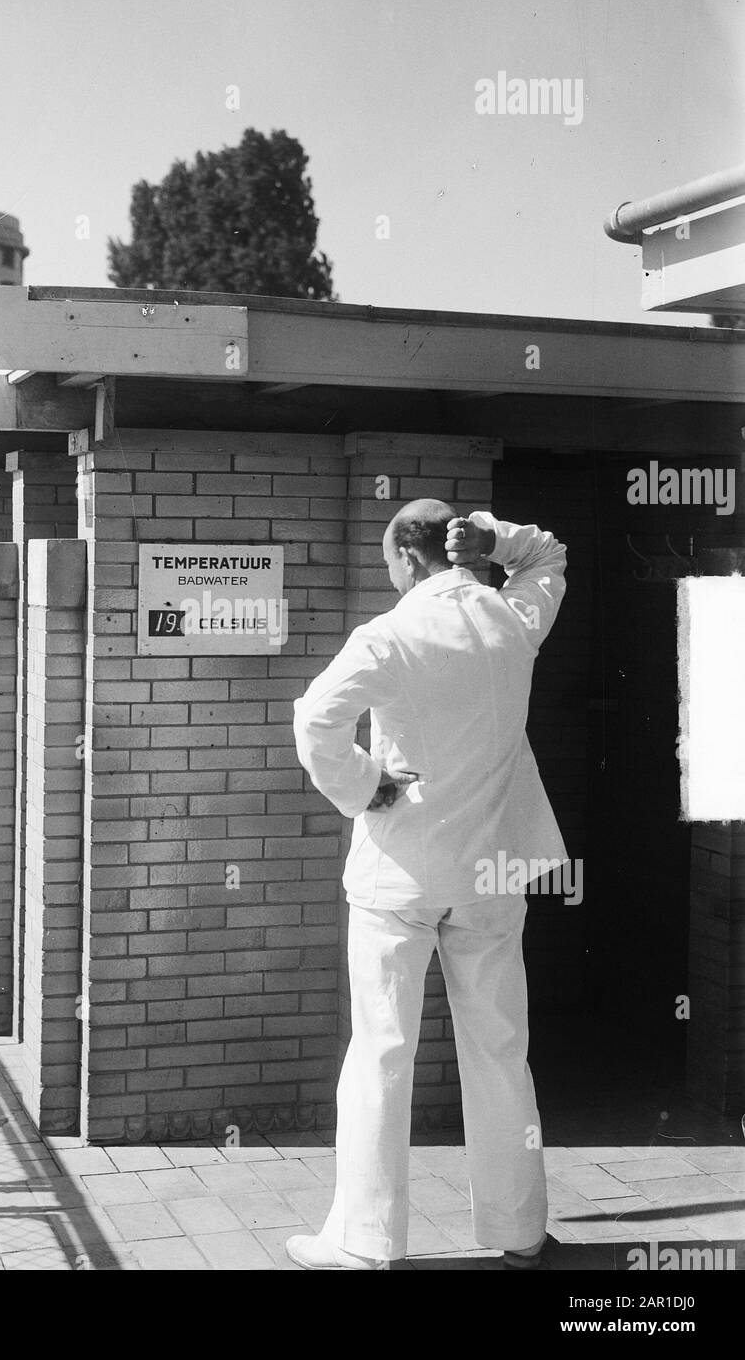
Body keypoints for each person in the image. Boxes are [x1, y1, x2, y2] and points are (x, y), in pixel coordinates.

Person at [287, 499, 568, 1270]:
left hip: (400, 874)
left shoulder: (387, 635)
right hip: (492, 872)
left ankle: (365, 1242)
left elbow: (314, 721)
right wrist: (496, 537)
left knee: (381, 1051)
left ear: (406, 559)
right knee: (500, 1048)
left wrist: (368, 785)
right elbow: (546, 556)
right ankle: (517, 1231)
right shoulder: (512, 620)